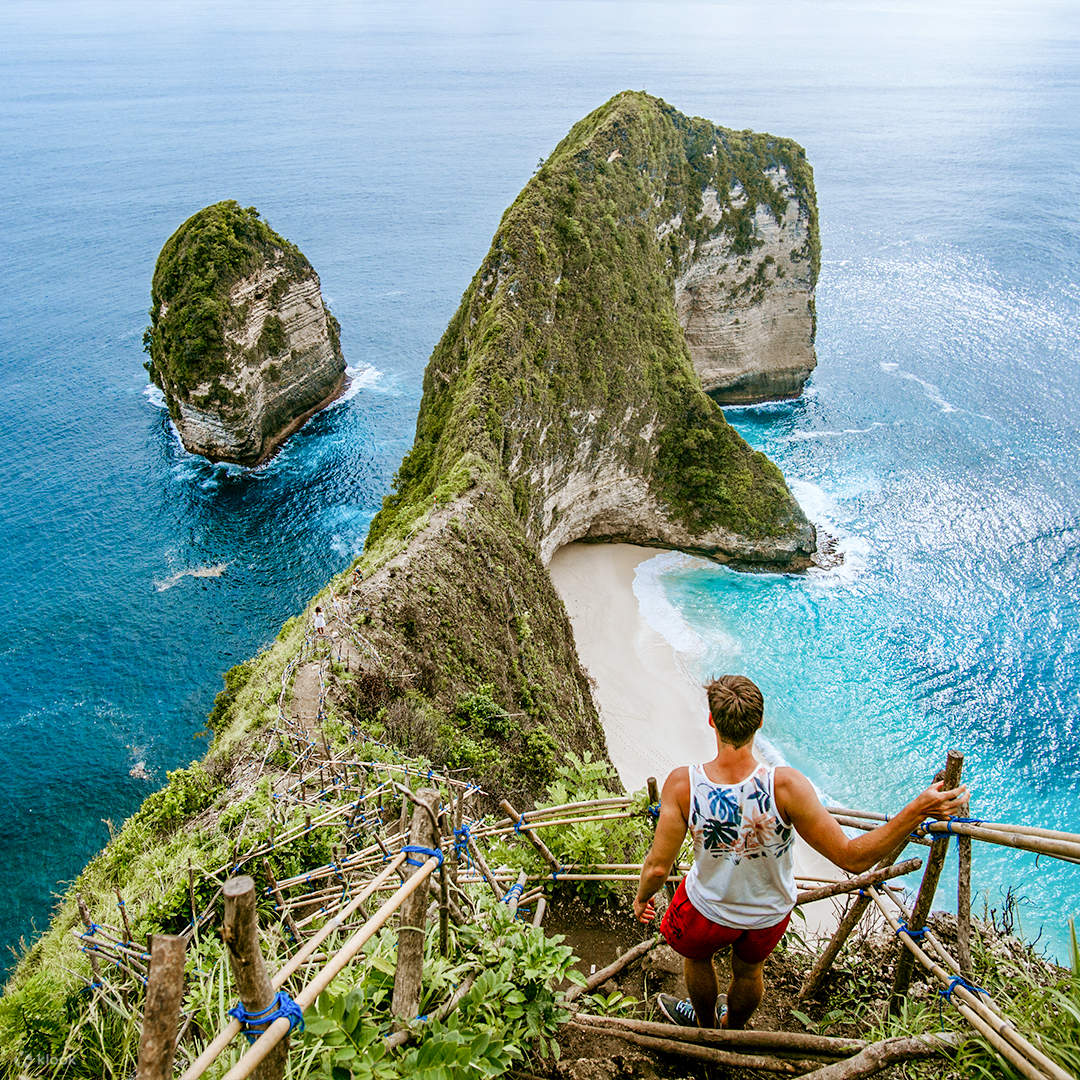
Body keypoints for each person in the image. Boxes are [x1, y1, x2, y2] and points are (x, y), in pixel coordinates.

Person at [634, 675, 967, 1030]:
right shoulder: (786, 786)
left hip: (707, 906)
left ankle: (704, 1026)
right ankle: (731, 1029)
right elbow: (853, 857)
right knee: (749, 972)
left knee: (698, 960)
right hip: (767, 913)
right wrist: (916, 809)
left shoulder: (684, 784)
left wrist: (642, 898)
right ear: (760, 723)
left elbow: (658, 868)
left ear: (712, 721)